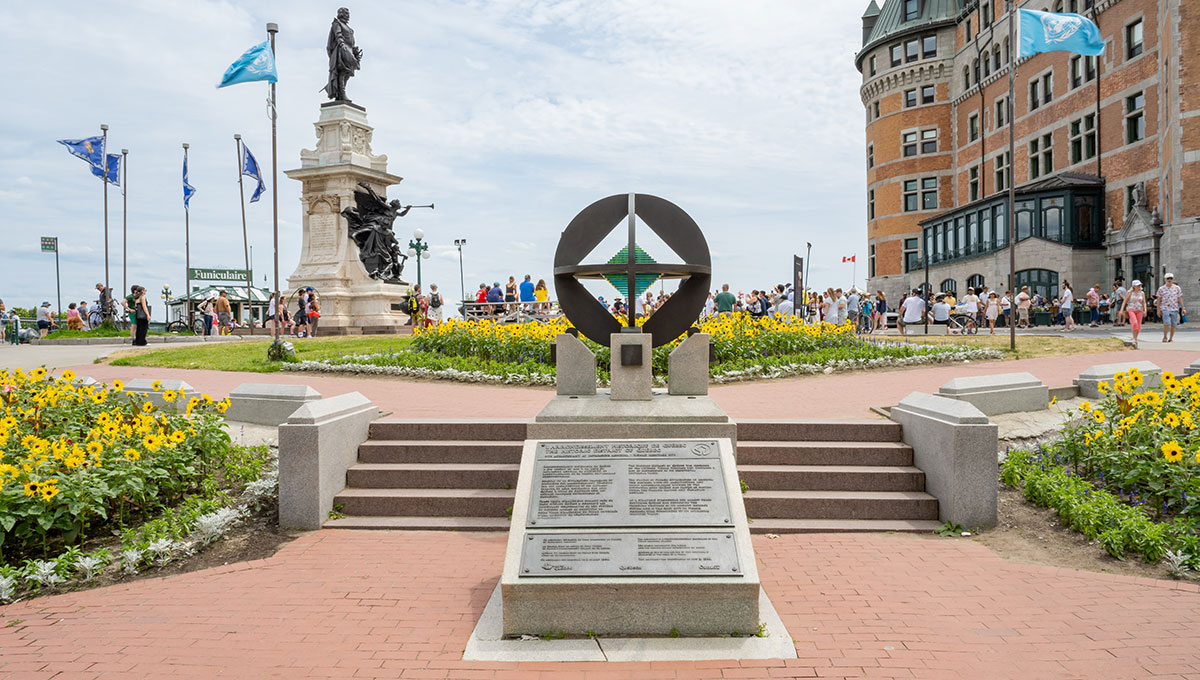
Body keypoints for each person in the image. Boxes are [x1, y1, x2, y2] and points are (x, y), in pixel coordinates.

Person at [1156, 273, 1186, 343]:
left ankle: (1171, 338)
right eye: (1168, 278)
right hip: (1165, 307)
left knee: (1174, 324)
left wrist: (1183, 307)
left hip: (1174, 308)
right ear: (1165, 279)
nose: (1169, 280)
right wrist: (1158, 309)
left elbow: (1180, 298)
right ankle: (1165, 336)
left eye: (1171, 278)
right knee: (1167, 323)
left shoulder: (1177, 288)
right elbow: (1159, 299)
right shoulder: (1161, 288)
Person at [1121, 280, 1147, 347]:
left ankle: (1135, 338)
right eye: (1137, 285)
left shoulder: (1142, 293)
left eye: (1139, 285)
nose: (1139, 286)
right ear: (1134, 286)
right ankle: (1134, 337)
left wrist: (1145, 310)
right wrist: (1121, 310)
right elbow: (1124, 301)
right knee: (1134, 322)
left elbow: (1144, 302)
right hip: (1131, 309)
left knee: (1138, 325)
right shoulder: (1129, 292)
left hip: (1139, 309)